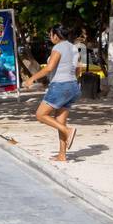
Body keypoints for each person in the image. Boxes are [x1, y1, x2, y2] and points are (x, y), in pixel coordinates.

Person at [25, 24, 82, 162]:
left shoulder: (58, 47)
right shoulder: (73, 47)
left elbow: (49, 68)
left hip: (60, 86)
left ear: (56, 35)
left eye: (50, 34)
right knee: (60, 121)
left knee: (40, 115)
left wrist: (31, 79)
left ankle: (68, 131)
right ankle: (62, 155)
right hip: (73, 86)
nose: (50, 37)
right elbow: (78, 69)